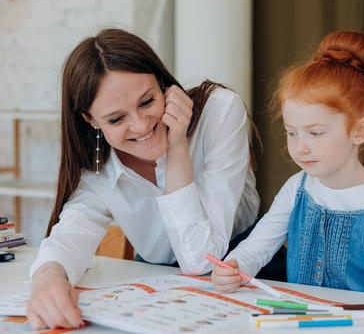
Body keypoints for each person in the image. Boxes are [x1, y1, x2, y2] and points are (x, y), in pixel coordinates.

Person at [27, 28, 261, 329]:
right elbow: (71, 234)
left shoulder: (218, 111)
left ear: (162, 83)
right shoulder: (96, 167)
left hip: (245, 272)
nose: (140, 125)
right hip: (159, 290)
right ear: (90, 120)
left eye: (147, 101)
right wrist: (48, 279)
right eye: (116, 119)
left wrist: (177, 148)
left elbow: (201, 261)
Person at [211, 31, 364, 299]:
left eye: (316, 133)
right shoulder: (297, 187)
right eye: (291, 132)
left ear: (360, 130)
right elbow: (257, 248)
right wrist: (234, 267)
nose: (301, 147)